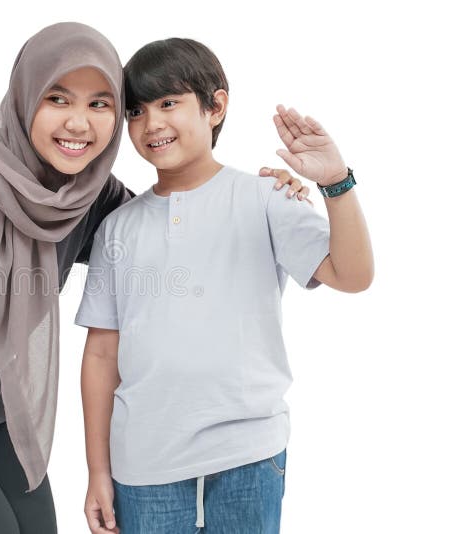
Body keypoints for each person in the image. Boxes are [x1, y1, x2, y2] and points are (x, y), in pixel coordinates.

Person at [0, 23, 310, 533]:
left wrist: (268, 194)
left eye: (100, 104)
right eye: (58, 98)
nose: (79, 123)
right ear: (26, 96)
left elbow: (165, 229)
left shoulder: (92, 197)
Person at [76, 38, 373, 534]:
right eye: (136, 110)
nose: (152, 124)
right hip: (144, 462)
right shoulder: (118, 228)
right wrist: (97, 472)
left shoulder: (266, 197)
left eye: (169, 103)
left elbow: (353, 275)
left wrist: (336, 183)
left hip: (248, 453)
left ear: (216, 106)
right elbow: (102, 354)